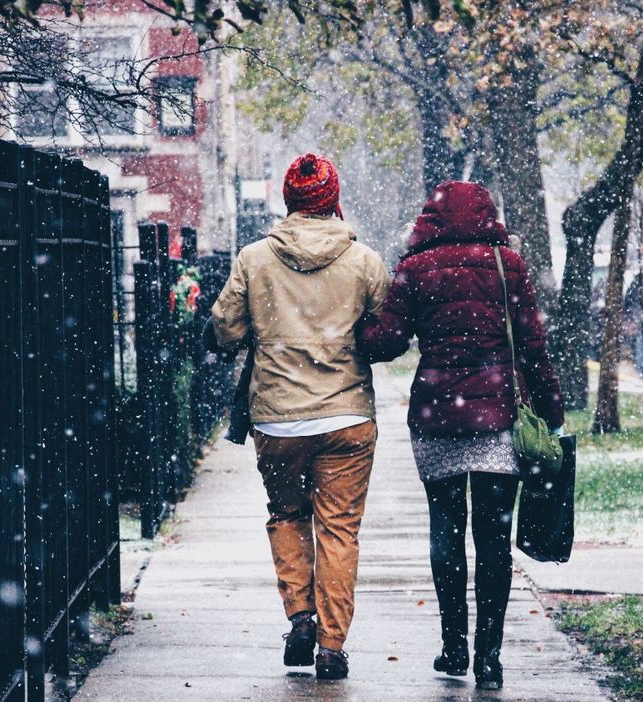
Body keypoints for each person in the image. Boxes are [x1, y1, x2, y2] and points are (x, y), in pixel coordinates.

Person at [356, 181, 564, 691]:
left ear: (432, 217)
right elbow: (532, 344)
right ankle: (489, 656)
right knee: (494, 540)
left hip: (436, 415)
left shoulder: (415, 267)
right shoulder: (506, 264)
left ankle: (454, 648)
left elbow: (388, 341)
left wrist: (354, 327)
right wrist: (552, 410)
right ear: (488, 214)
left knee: (445, 531)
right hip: (497, 416)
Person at [209, 153, 389, 681]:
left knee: (288, 515)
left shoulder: (255, 259)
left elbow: (225, 329)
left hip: (279, 419)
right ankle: (332, 646)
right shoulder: (364, 262)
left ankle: (300, 618)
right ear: (333, 199)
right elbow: (385, 333)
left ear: (289, 200)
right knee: (339, 531)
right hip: (347, 416)